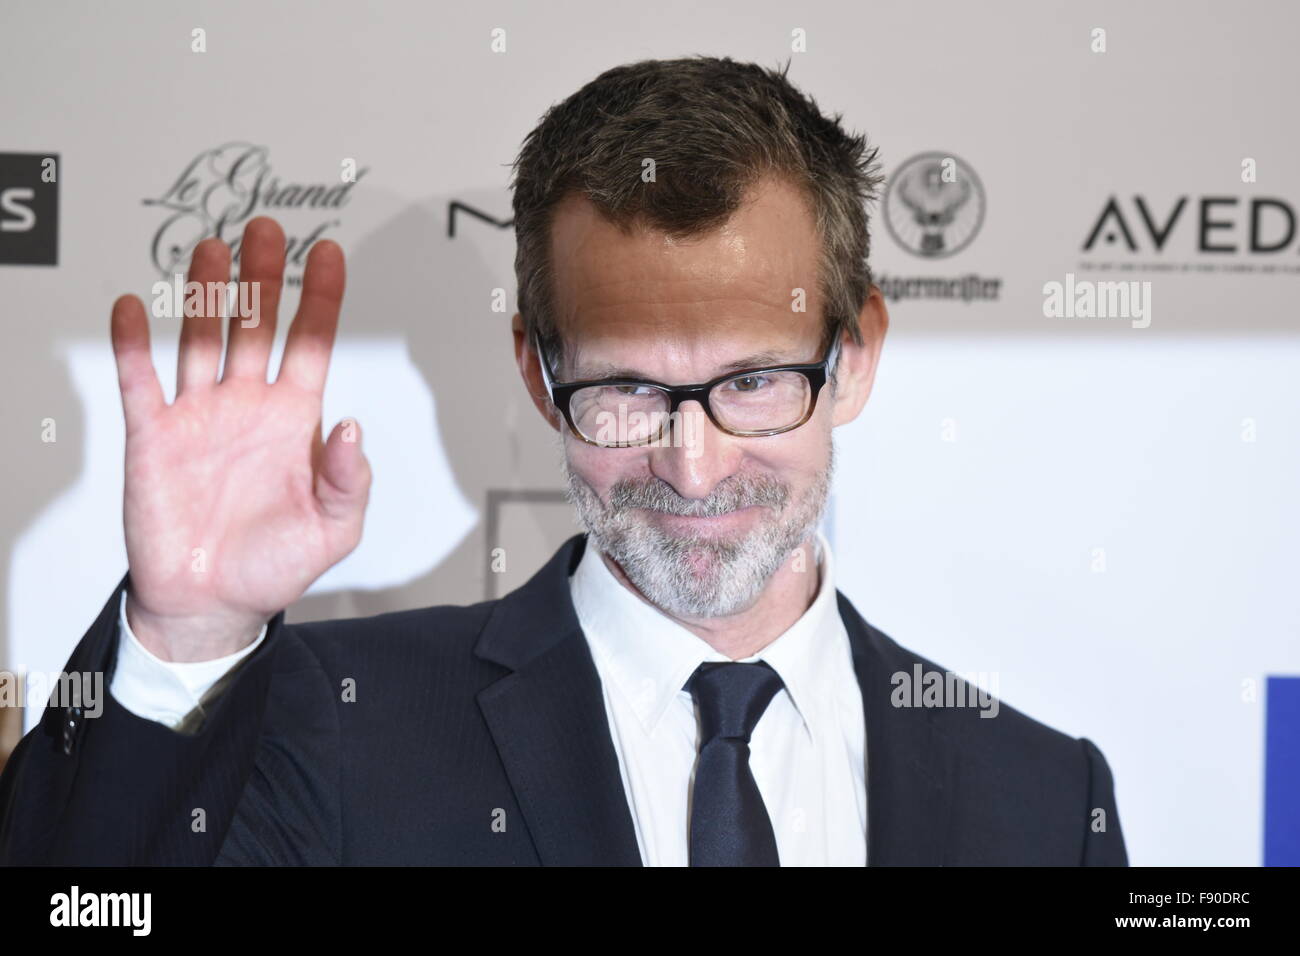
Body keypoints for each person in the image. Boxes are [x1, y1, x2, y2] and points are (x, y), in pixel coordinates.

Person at [0, 56, 1127, 866]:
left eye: (749, 382)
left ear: (857, 354)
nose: (693, 467)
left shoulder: (1038, 793)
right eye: (626, 390)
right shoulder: (334, 718)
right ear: (539, 374)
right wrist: (186, 638)